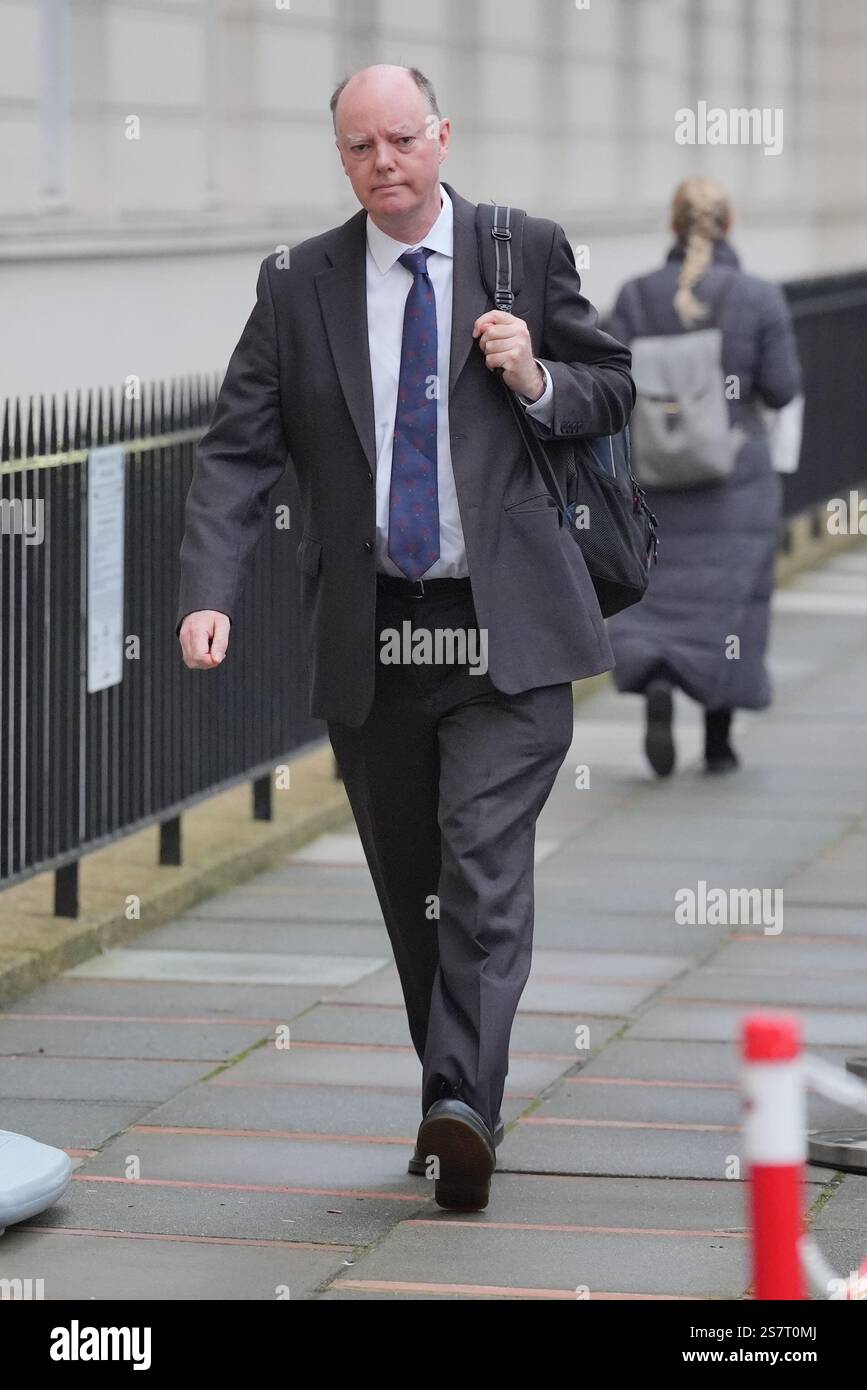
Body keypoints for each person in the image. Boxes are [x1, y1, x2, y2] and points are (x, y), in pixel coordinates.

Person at [175, 64, 634, 1210]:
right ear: (341, 158)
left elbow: (612, 386)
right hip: (375, 635)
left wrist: (533, 375)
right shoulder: (298, 284)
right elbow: (238, 448)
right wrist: (206, 587)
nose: (383, 163)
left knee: (482, 861)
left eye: (400, 140)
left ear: (441, 135)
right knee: (415, 883)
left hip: (505, 631)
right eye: (358, 148)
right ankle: (452, 1090)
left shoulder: (522, 249)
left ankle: (464, 1106)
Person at [604, 177, 802, 777]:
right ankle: (717, 742)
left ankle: (657, 684)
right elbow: (782, 387)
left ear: (672, 227)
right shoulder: (759, 298)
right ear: (729, 226)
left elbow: (610, 381)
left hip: (651, 482)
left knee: (657, 595)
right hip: (732, 486)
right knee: (731, 607)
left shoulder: (635, 298)